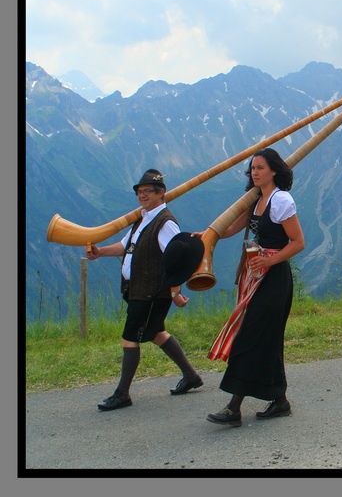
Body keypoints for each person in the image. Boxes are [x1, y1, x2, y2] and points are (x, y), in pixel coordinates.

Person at [201, 148, 305, 428]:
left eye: (260, 167)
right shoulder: (256, 199)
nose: (255, 172)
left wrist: (270, 258)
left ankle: (234, 407)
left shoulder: (281, 200)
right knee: (266, 338)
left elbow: (297, 242)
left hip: (274, 279)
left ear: (274, 170)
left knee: (250, 337)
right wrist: (207, 236)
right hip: (257, 276)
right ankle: (280, 401)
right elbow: (233, 227)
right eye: (252, 169)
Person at [86, 169, 205, 411]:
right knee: (155, 332)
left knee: (130, 337)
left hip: (151, 292)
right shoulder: (142, 217)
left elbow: (176, 260)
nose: (142, 196)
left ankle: (122, 394)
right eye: (139, 192)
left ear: (161, 193)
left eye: (147, 192)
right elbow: (124, 246)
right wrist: (99, 253)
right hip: (138, 289)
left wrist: (174, 294)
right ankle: (191, 376)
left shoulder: (165, 223)